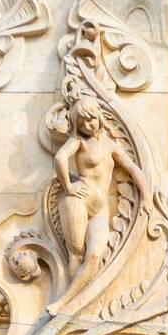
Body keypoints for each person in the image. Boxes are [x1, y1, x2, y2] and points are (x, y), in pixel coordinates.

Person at [53, 94, 147, 298]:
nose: (88, 125)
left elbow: (132, 168)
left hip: (101, 205)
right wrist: (68, 187)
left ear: (99, 117)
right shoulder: (78, 141)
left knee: (95, 253)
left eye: (91, 119)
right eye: (82, 122)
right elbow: (60, 158)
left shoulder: (111, 146)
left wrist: (147, 198)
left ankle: (71, 301)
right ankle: (69, 305)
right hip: (80, 197)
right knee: (76, 253)